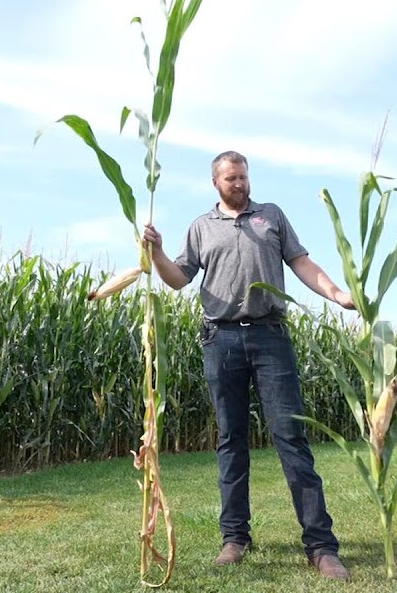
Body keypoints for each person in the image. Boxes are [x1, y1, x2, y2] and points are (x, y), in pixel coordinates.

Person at [142, 150, 354, 581]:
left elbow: (301, 264)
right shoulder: (202, 227)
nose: (239, 184)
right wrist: (158, 252)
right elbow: (178, 278)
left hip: (270, 336)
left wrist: (338, 294)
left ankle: (321, 546)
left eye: (243, 177)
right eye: (230, 179)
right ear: (215, 183)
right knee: (230, 440)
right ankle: (234, 538)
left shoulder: (271, 216)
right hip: (220, 339)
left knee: (291, 438)